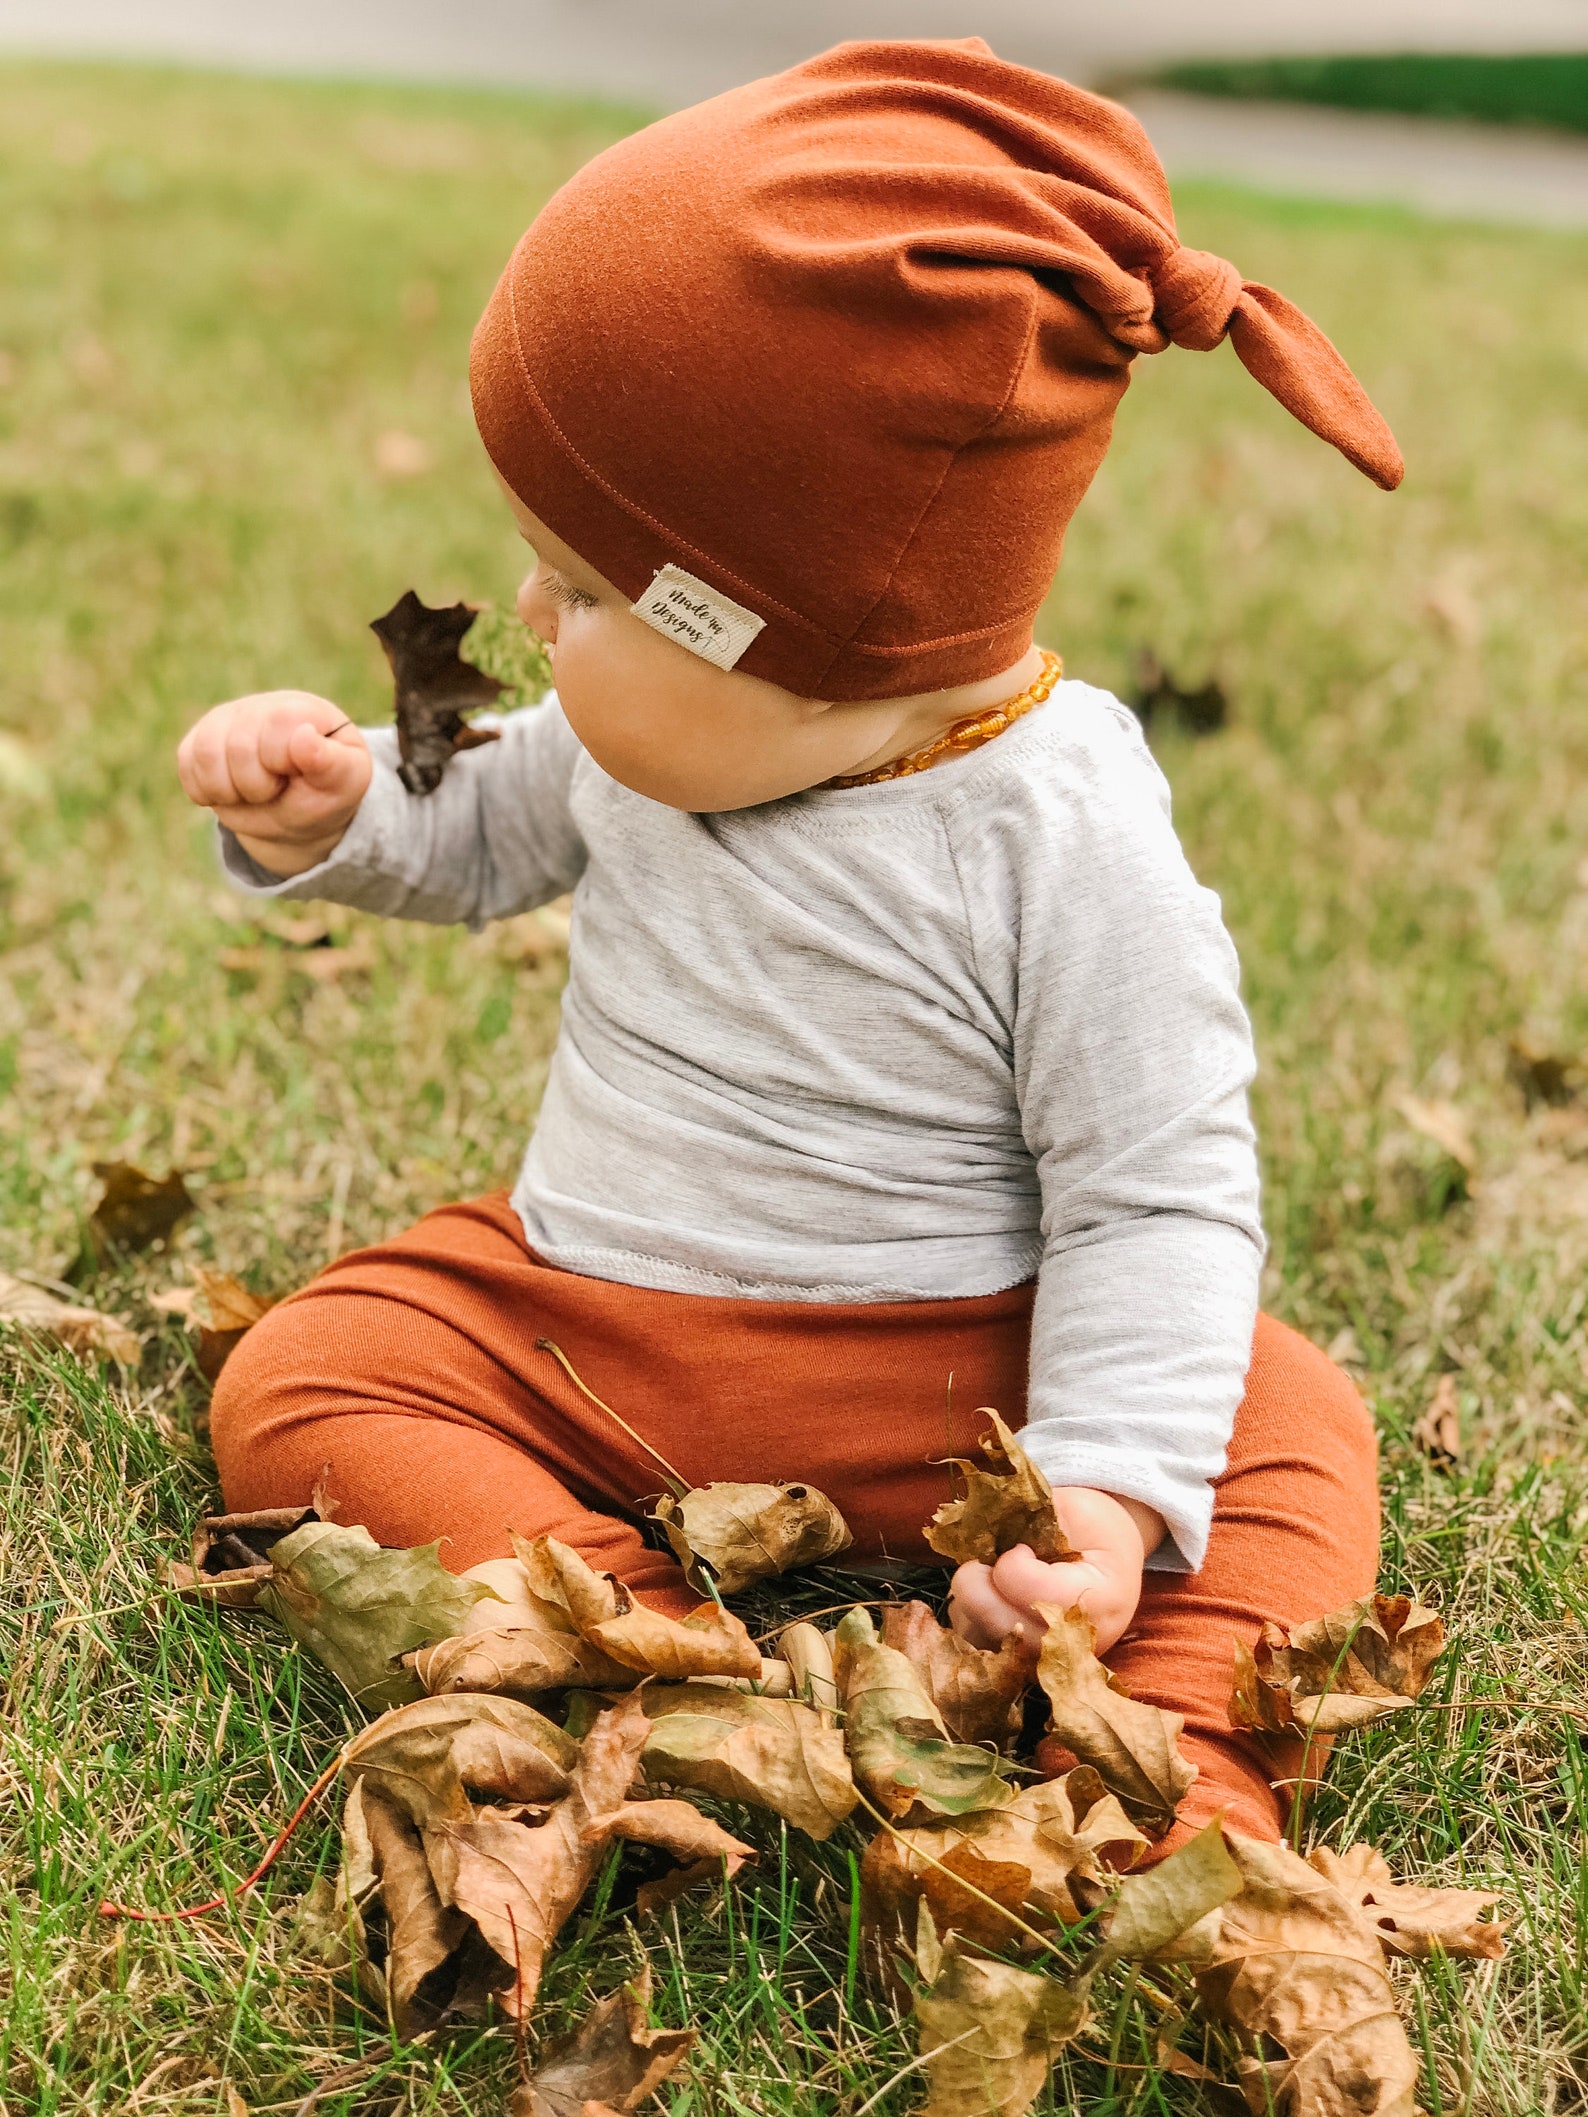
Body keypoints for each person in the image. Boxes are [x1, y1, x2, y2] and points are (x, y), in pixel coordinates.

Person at [177, 40, 1395, 1850]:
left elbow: (1156, 1192)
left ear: (792, 637)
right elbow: (481, 821)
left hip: (957, 1381)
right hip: (590, 1329)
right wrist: (338, 809)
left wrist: (1106, 1494)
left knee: (1284, 1428)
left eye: (581, 592)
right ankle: (643, 1652)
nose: (525, 616)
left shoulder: (1061, 836)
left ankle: (1173, 1774)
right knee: (312, 1372)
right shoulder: (653, 726)